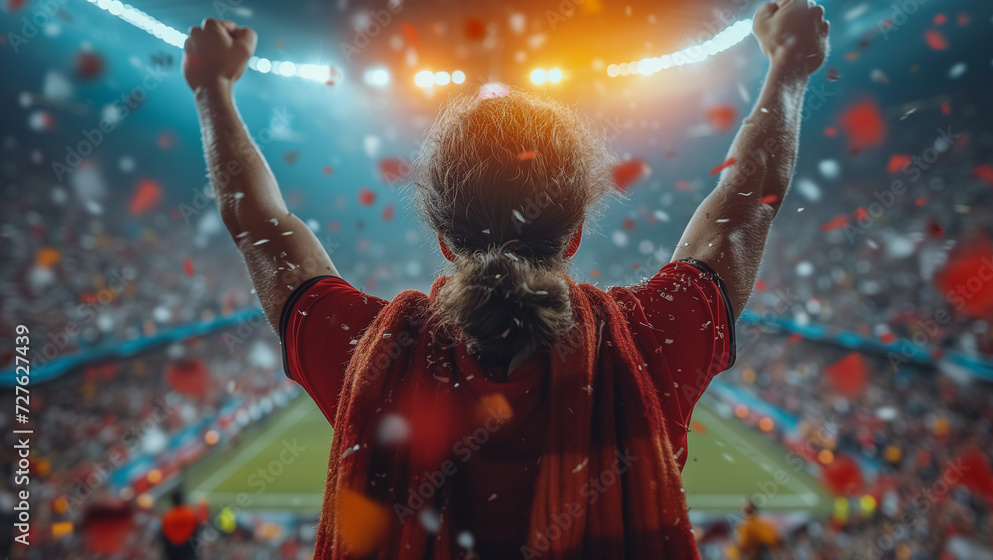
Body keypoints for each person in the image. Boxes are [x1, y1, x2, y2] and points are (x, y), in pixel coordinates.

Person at [183, 0, 829, 557]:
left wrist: (212, 88)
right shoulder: (646, 343)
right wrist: (788, 69)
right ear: (576, 233)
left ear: (441, 238)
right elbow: (743, 211)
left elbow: (259, 225)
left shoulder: (370, 355)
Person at [159, 488, 201, 560]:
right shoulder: (189, 513)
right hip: (189, 547)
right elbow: (196, 529)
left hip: (174, 549)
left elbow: (164, 535)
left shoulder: (167, 517)